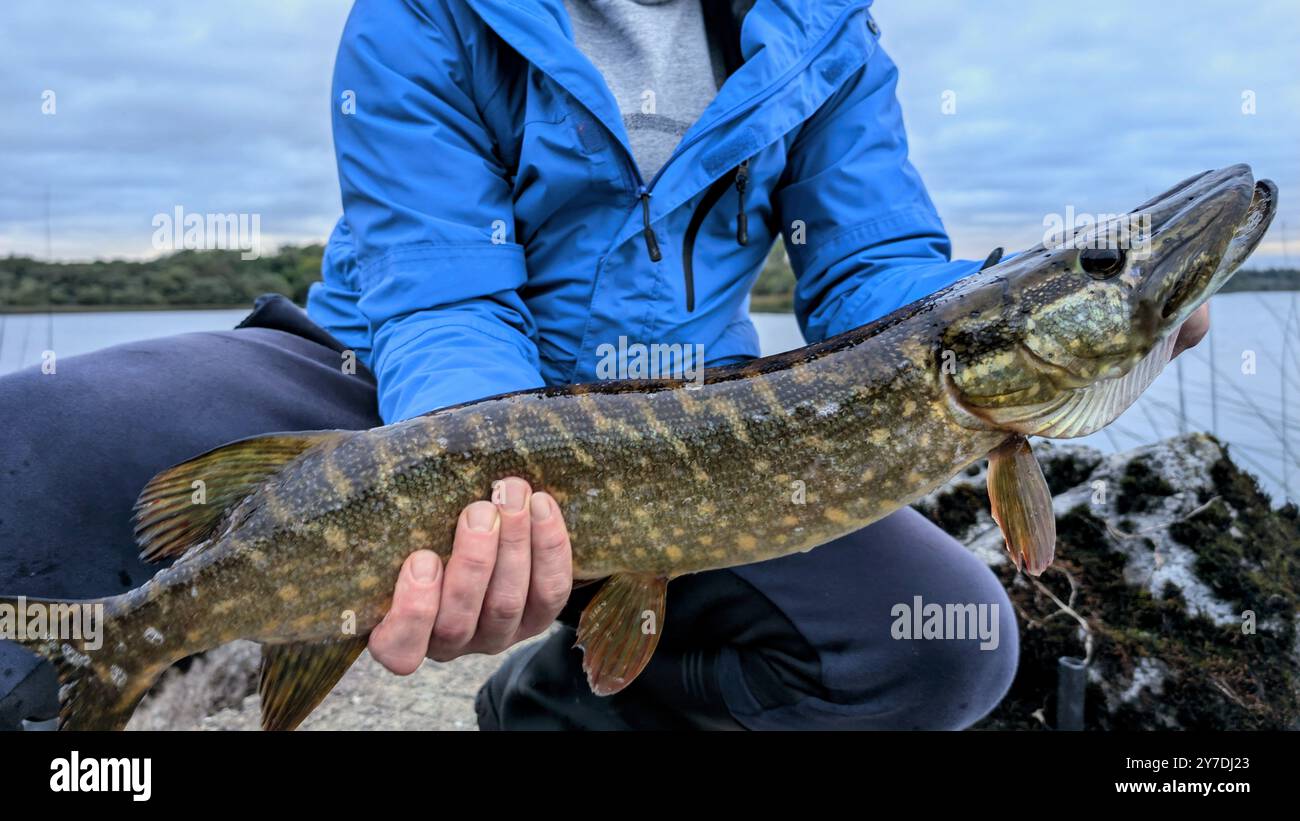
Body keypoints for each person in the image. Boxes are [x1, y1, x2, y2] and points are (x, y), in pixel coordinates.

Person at [0, 0, 1208, 731]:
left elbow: (880, 268)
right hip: (382, 381)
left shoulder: (822, 25)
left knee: (943, 647)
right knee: (40, 431)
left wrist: (1063, 321)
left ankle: (552, 715)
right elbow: (439, 291)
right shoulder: (426, 11)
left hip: (685, 421)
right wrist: (486, 501)